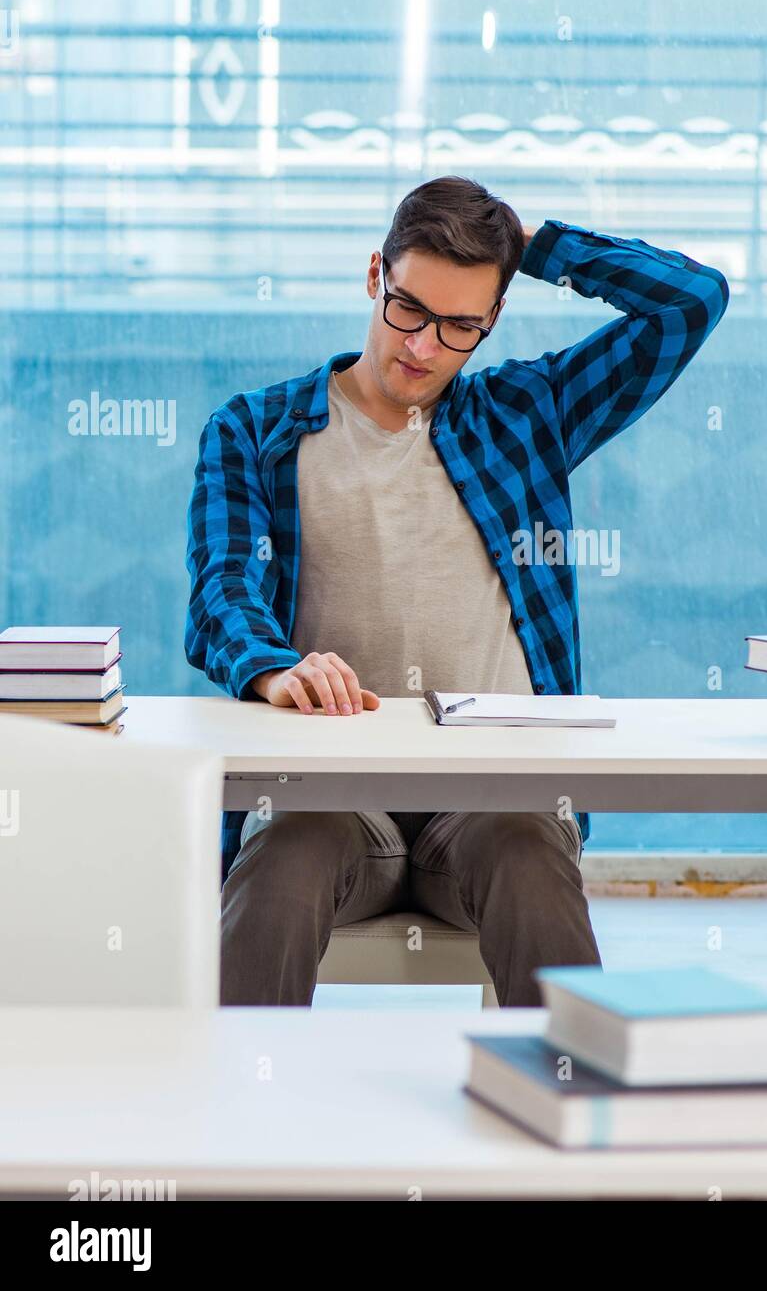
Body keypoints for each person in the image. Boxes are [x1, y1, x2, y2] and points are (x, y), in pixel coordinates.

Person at [185, 175, 729, 1005]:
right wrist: (271, 667)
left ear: (492, 319)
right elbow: (220, 592)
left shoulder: (526, 416)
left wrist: (534, 241)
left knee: (532, 861)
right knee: (279, 871)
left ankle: (570, 1104)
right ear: (376, 275)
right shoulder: (256, 429)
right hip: (329, 797)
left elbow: (691, 302)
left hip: (492, 795)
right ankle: (233, 1115)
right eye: (408, 309)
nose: (424, 347)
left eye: (459, 325)